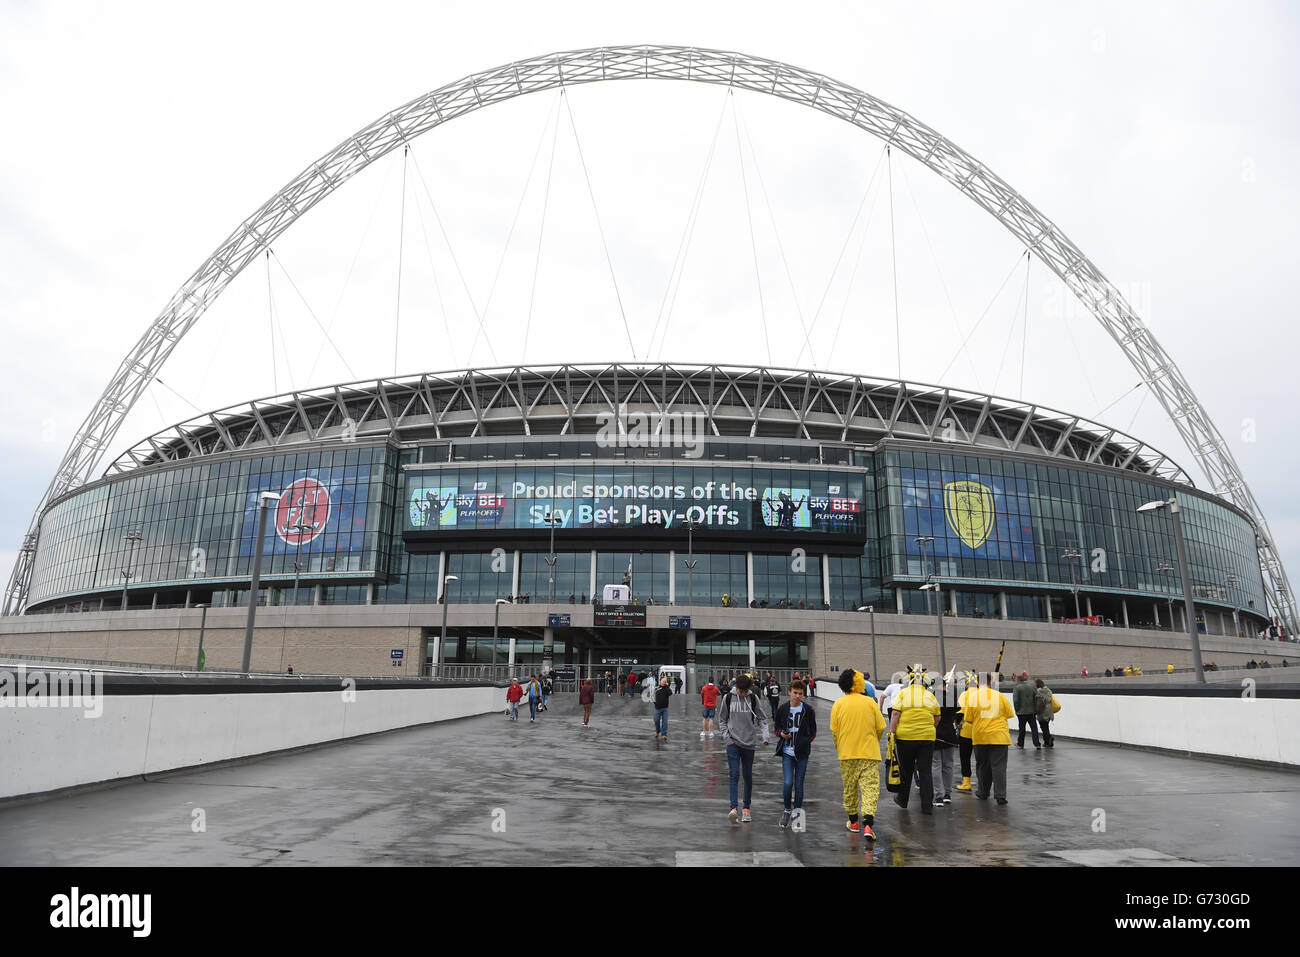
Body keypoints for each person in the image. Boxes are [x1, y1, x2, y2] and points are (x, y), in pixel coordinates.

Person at [830, 668, 887, 840]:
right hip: (869, 754)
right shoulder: (870, 703)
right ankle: (868, 825)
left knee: (850, 788)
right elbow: (881, 727)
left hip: (847, 754)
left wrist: (840, 747)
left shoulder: (838, 704)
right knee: (870, 789)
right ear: (859, 683)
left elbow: (835, 732)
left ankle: (853, 822)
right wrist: (873, 741)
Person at [717, 673, 771, 824]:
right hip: (733, 743)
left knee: (747, 777)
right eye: (741, 691)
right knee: (734, 775)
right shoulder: (728, 698)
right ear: (736, 688)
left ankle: (746, 809)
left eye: (745, 691)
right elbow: (722, 720)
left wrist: (765, 736)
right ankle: (733, 809)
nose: (743, 694)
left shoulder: (753, 698)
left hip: (749, 744)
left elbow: (762, 718)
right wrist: (727, 739)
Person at [888, 664, 941, 814]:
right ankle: (927, 806)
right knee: (925, 771)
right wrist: (930, 729)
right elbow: (937, 717)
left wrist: (892, 733)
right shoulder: (929, 695)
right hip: (927, 738)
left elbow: (896, 714)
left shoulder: (903, 694)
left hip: (905, 738)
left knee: (906, 770)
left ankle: (903, 800)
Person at [774, 679, 817, 828]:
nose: (797, 696)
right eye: (795, 693)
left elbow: (813, 731)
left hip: (802, 753)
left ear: (803, 695)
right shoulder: (783, 709)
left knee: (799, 784)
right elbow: (776, 727)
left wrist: (804, 742)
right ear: (789, 692)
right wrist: (781, 734)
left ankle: (797, 813)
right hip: (787, 752)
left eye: (800, 693)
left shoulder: (808, 710)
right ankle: (787, 810)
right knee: (788, 783)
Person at [967, 674, 1016, 804]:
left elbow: (969, 719)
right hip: (999, 736)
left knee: (983, 766)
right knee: (999, 767)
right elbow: (1009, 714)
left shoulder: (973, 697)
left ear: (978, 683)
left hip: (980, 736)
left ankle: (983, 792)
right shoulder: (999, 696)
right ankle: (1000, 795)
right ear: (990, 682)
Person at [932, 673, 960, 805]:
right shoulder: (950, 698)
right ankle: (948, 793)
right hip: (949, 734)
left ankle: (938, 796)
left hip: (935, 735)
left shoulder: (931, 697)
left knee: (936, 765)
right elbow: (959, 709)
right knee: (948, 765)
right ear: (943, 685)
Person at [955, 670, 978, 792]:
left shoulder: (964, 695)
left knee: (965, 757)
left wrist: (956, 724)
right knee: (981, 759)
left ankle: (966, 782)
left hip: (966, 731)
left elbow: (960, 712)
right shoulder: (983, 694)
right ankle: (984, 783)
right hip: (980, 731)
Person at [1013, 673, 1041, 749]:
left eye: (1015, 680)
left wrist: (1017, 710)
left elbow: (1016, 701)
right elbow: (1037, 696)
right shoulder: (1031, 686)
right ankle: (1037, 744)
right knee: (1034, 728)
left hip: (1021, 712)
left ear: (1018, 680)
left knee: (1022, 729)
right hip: (1032, 712)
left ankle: (1020, 744)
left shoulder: (1017, 688)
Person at [1033, 678, 1054, 748]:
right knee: (1046, 726)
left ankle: (1047, 742)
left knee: (1043, 727)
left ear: (1037, 684)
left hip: (1042, 711)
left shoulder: (1038, 692)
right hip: (1049, 710)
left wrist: (1037, 712)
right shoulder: (1048, 690)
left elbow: (1039, 704)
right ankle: (1048, 739)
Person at [653, 675, 673, 740]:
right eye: (663, 681)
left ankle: (664, 734)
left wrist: (667, 686)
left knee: (665, 722)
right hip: (657, 708)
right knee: (656, 721)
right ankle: (657, 731)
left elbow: (670, 693)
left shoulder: (667, 688)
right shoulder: (656, 688)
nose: (664, 682)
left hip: (665, 708)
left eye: (665, 681)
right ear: (660, 681)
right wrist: (655, 703)